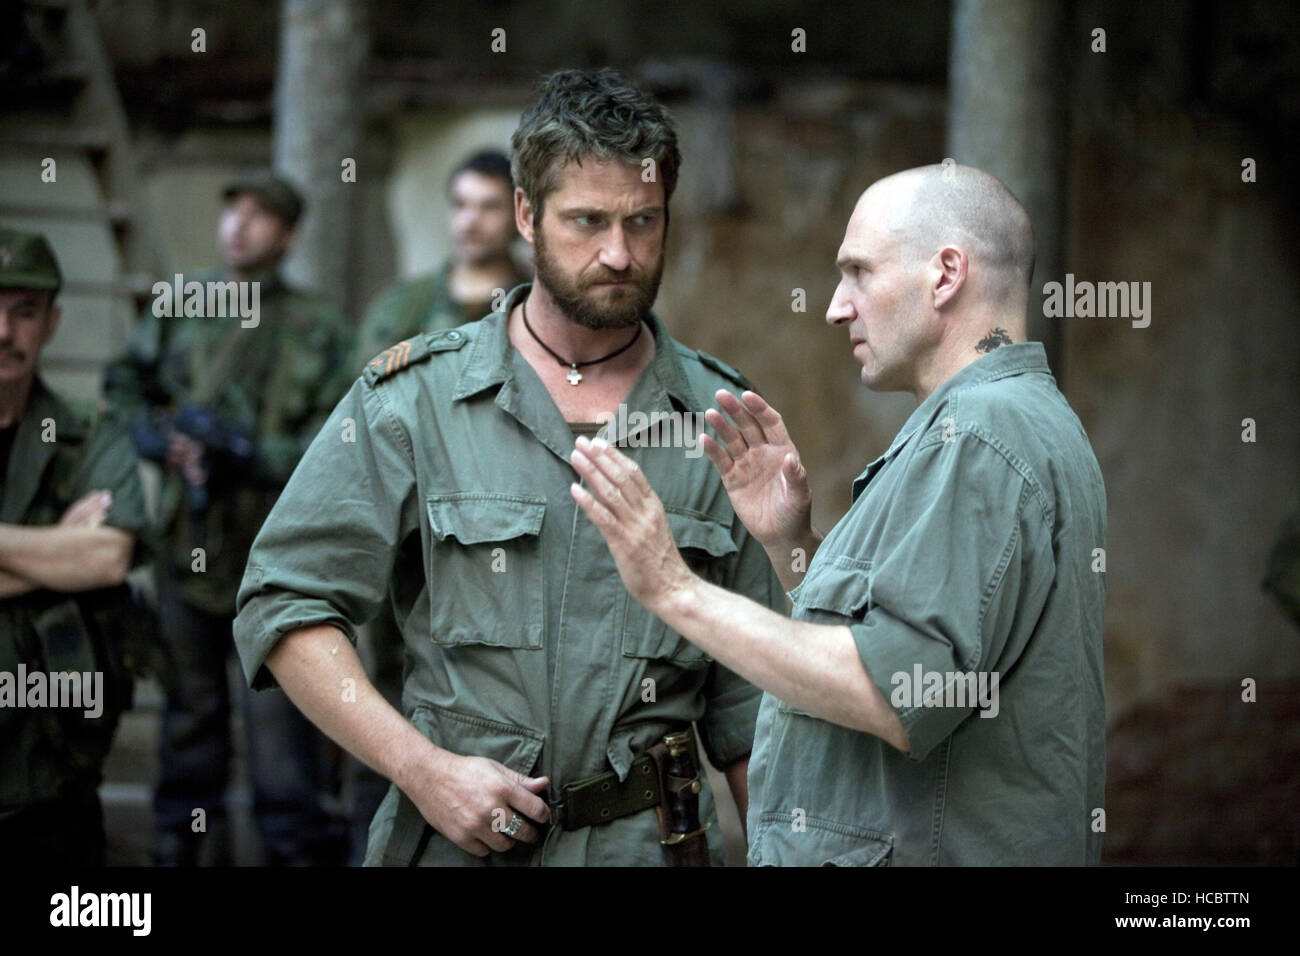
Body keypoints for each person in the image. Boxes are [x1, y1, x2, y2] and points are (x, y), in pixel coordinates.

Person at [233, 68, 783, 866]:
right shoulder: (413, 400)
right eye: (587, 221)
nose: (619, 254)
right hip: (458, 843)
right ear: (526, 214)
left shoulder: (722, 420)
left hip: (648, 846)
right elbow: (284, 601)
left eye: (644, 222)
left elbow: (755, 712)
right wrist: (421, 770)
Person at [569, 163, 1109, 865]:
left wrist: (671, 587)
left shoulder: (980, 434)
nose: (836, 306)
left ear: (945, 275)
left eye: (858, 271)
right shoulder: (1003, 420)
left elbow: (893, 694)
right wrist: (792, 543)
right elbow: (910, 640)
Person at [103, 173, 356, 866]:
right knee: (189, 724)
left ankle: (289, 855)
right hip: (188, 543)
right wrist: (156, 439)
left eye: (260, 216)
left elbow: (342, 437)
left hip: (278, 560)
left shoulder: (317, 326)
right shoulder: (185, 302)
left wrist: (251, 455)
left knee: (280, 736)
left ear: (289, 236)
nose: (240, 227)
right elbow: (125, 384)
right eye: (233, 212)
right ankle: (180, 857)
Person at [346, 148, 530, 862]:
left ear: (515, 214)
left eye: (487, 205)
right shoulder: (403, 307)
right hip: (405, 529)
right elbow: (361, 413)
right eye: (460, 204)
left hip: (504, 526)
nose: (470, 221)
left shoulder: (538, 303)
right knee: (390, 687)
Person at [0, 228, 149, 865]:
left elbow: (106, 557)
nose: (4, 330)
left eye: (24, 311)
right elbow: (77, 558)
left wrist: (75, 554)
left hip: (50, 771)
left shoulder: (89, 434)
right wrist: (53, 549)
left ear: (52, 322)